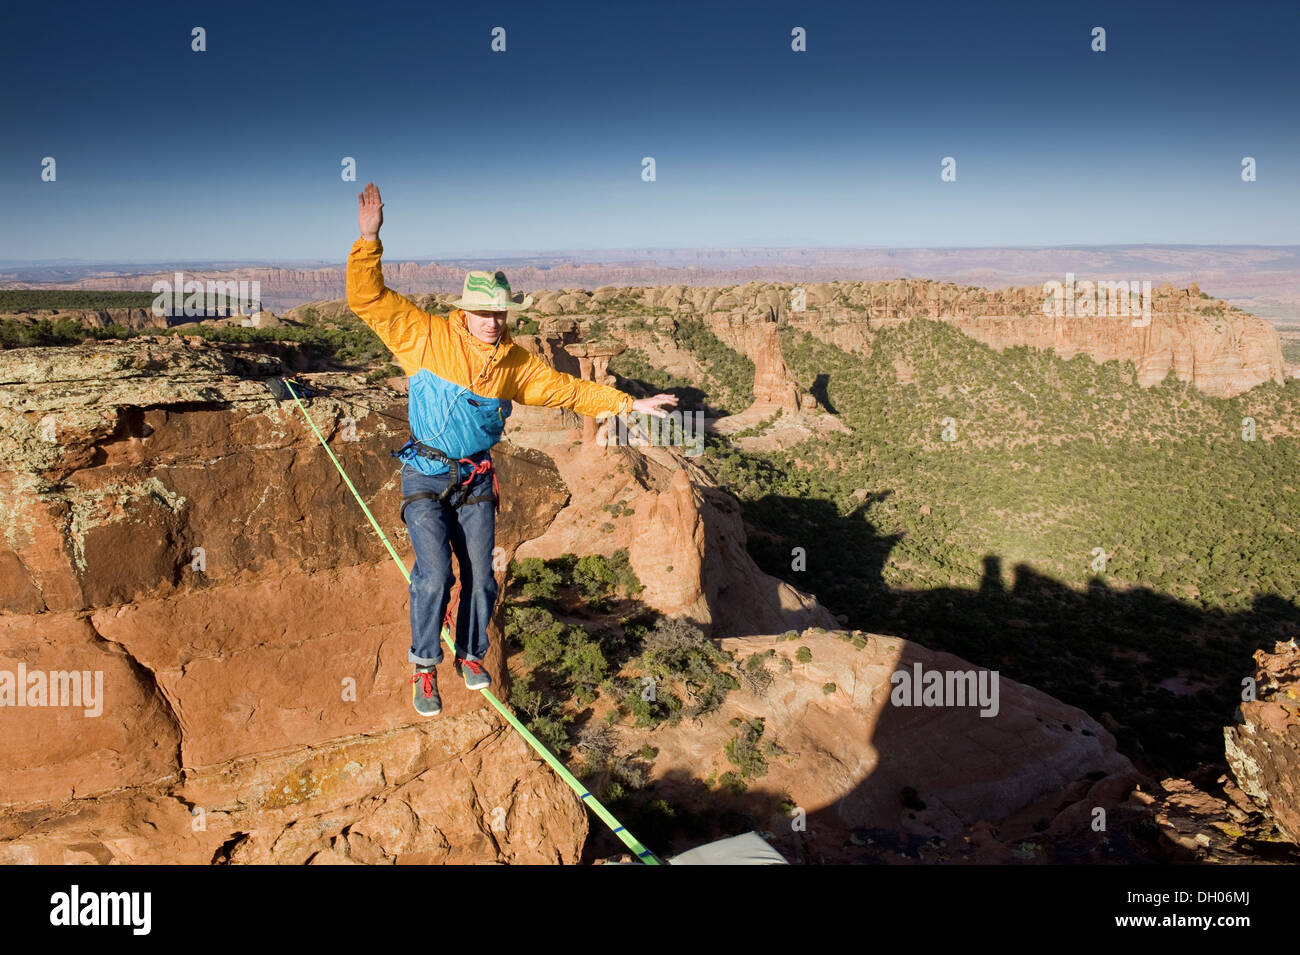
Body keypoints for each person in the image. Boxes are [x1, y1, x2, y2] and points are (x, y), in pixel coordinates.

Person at [347, 182, 677, 717]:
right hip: (427, 476)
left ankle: (471, 654)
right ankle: (425, 667)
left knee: (482, 576)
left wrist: (627, 404)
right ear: (465, 311)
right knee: (435, 574)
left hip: (476, 480)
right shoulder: (425, 338)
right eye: (485, 312)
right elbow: (368, 300)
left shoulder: (516, 364)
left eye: (501, 313)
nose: (494, 321)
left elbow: (567, 391)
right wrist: (368, 241)